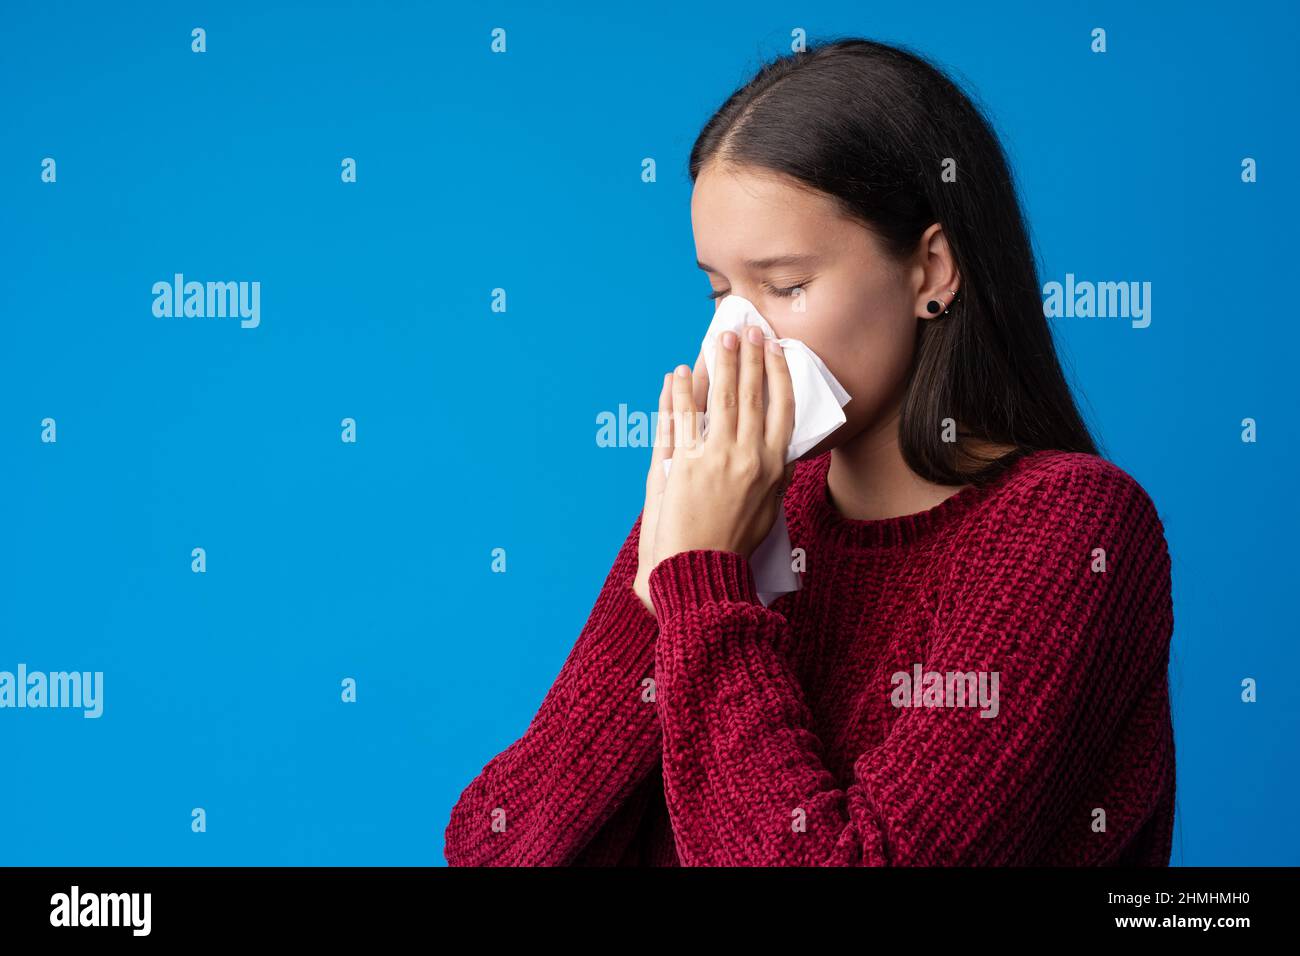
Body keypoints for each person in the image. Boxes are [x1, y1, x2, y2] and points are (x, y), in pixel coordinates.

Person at [443, 37, 1175, 866]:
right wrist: (667, 574)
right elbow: (500, 847)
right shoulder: (736, 512)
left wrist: (700, 590)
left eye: (786, 286)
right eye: (720, 291)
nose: (733, 341)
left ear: (931, 268)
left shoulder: (1072, 529)